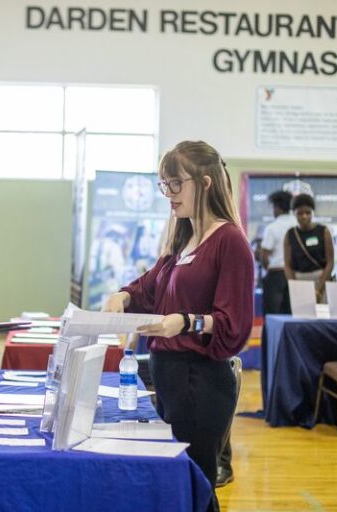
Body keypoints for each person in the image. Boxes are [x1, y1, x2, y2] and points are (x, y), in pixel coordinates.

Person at [102, 140, 254, 511]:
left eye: (175, 184)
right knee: (182, 489)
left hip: (200, 385)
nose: (168, 194)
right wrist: (122, 296)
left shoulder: (229, 241)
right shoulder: (184, 240)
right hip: (172, 380)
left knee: (194, 490)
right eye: (163, 185)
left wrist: (184, 322)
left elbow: (234, 324)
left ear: (205, 183)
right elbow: (148, 287)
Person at [283, 194, 334, 303]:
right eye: (300, 213)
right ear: (294, 214)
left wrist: (319, 287)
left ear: (312, 212)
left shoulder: (323, 231)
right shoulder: (290, 234)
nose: (304, 216)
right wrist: (294, 286)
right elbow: (287, 264)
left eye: (308, 212)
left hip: (321, 279)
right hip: (299, 280)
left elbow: (330, 262)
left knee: (321, 316)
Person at [260, 190, 296, 315]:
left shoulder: (272, 227)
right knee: (292, 314)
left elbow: (264, 256)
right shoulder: (297, 225)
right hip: (295, 275)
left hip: (276, 275)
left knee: (272, 316)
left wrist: (267, 268)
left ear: (277, 207)